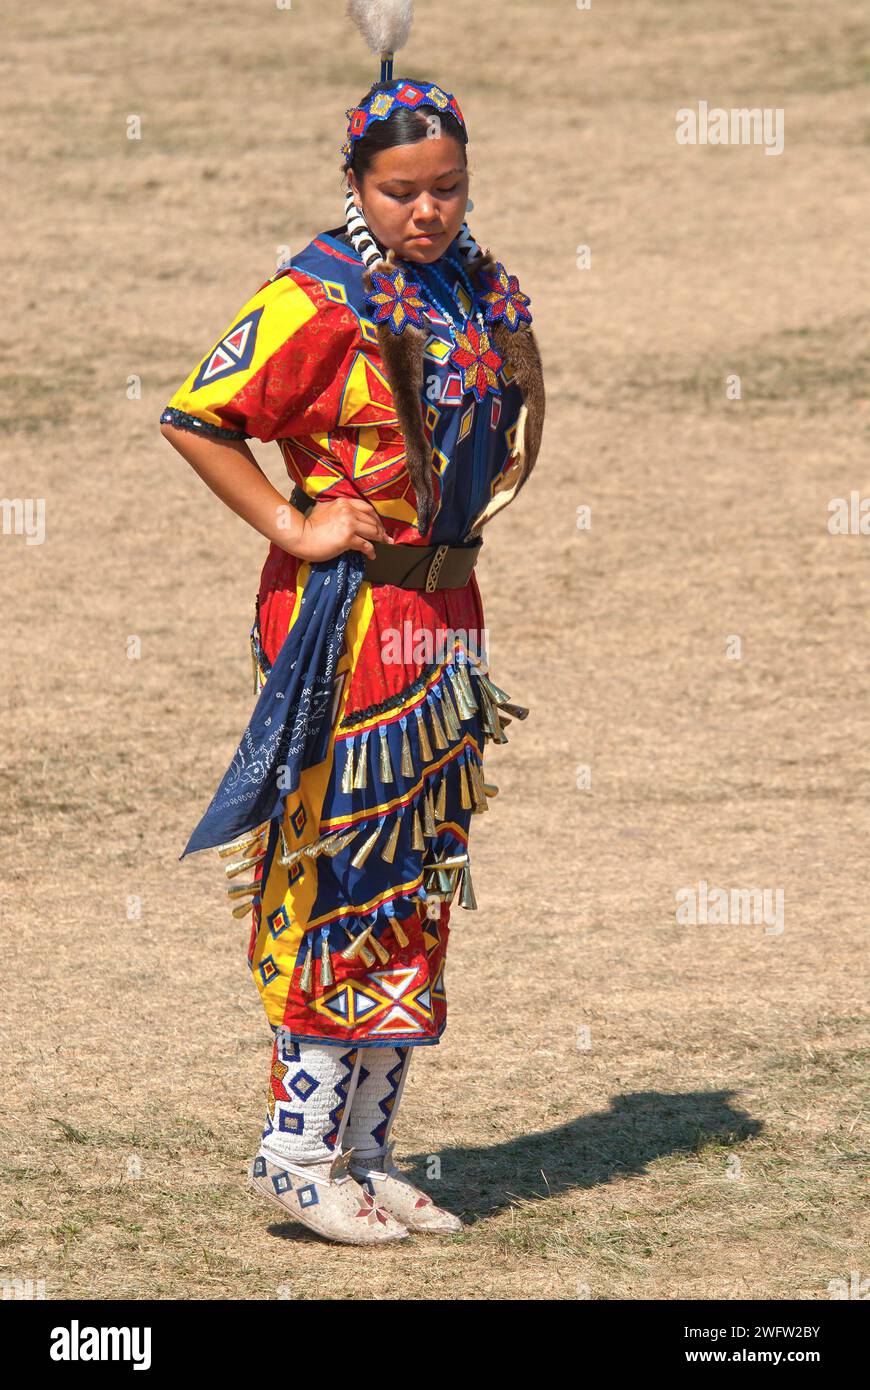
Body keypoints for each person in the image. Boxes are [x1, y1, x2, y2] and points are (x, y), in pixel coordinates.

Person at [159, 16, 545, 1246]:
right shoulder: (315, 296)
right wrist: (291, 516)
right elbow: (196, 414)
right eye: (401, 191)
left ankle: (367, 1156)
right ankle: (294, 1151)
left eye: (447, 189)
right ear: (355, 183)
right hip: (350, 618)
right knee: (341, 870)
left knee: (420, 872)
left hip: (446, 613)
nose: (426, 211)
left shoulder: (470, 281)